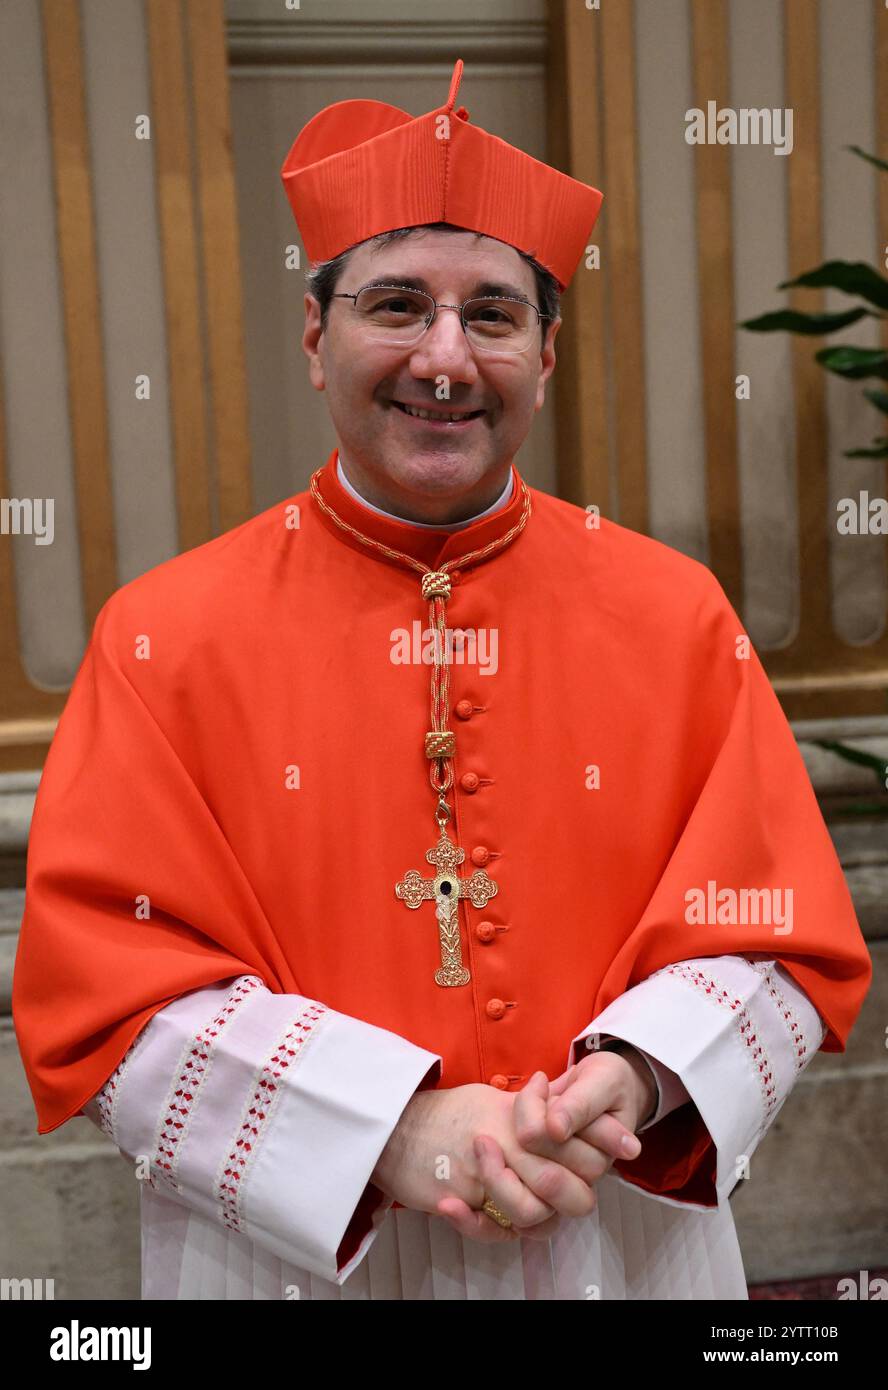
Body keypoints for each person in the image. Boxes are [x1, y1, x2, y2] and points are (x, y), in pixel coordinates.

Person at [13, 59, 870, 1301]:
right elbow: (106, 992)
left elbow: (783, 943)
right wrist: (390, 1129)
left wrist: (630, 1076)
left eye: (495, 315)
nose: (447, 359)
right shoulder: (164, 636)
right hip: (305, 1252)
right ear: (316, 336)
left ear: (548, 350)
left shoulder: (673, 612)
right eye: (398, 305)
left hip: (607, 1227)